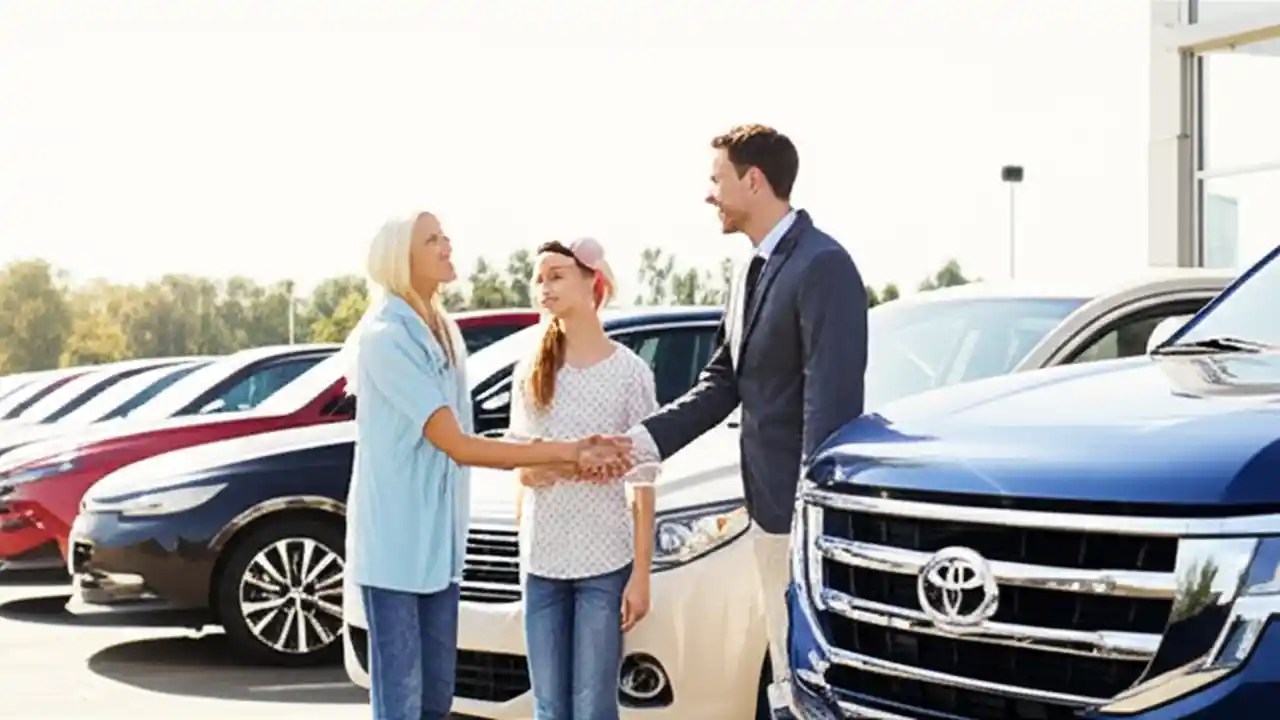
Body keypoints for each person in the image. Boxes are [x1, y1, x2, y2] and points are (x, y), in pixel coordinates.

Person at [602, 125, 868, 717]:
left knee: (812, 671)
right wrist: (641, 441)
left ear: (754, 180)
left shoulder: (823, 265)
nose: (709, 194)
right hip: (766, 509)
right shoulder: (749, 271)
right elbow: (723, 382)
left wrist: (810, 515)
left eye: (717, 179)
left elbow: (830, 406)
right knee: (783, 661)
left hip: (799, 515)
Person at [342, 212, 631, 720]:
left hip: (439, 549)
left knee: (435, 700)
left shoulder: (443, 329)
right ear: (400, 260)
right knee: (402, 704)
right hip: (394, 549)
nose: (447, 244)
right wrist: (566, 450)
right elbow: (457, 443)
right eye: (432, 239)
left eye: (444, 235)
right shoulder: (386, 336)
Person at [509, 237, 659, 720]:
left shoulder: (630, 373)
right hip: (542, 564)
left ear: (591, 281)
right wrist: (577, 463)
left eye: (555, 275)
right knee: (550, 707)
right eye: (538, 278)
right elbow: (522, 469)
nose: (544, 287)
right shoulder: (532, 370)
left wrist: (641, 575)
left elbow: (643, 481)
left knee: (594, 706)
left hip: (605, 563)